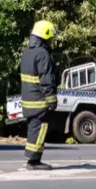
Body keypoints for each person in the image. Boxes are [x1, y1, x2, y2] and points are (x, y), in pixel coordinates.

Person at [18, 20, 58, 171]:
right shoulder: (42, 54)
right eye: (51, 38)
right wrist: (52, 100)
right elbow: (47, 80)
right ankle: (34, 161)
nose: (52, 41)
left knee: (34, 128)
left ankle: (32, 158)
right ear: (45, 36)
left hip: (28, 100)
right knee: (40, 129)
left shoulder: (27, 53)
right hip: (39, 101)